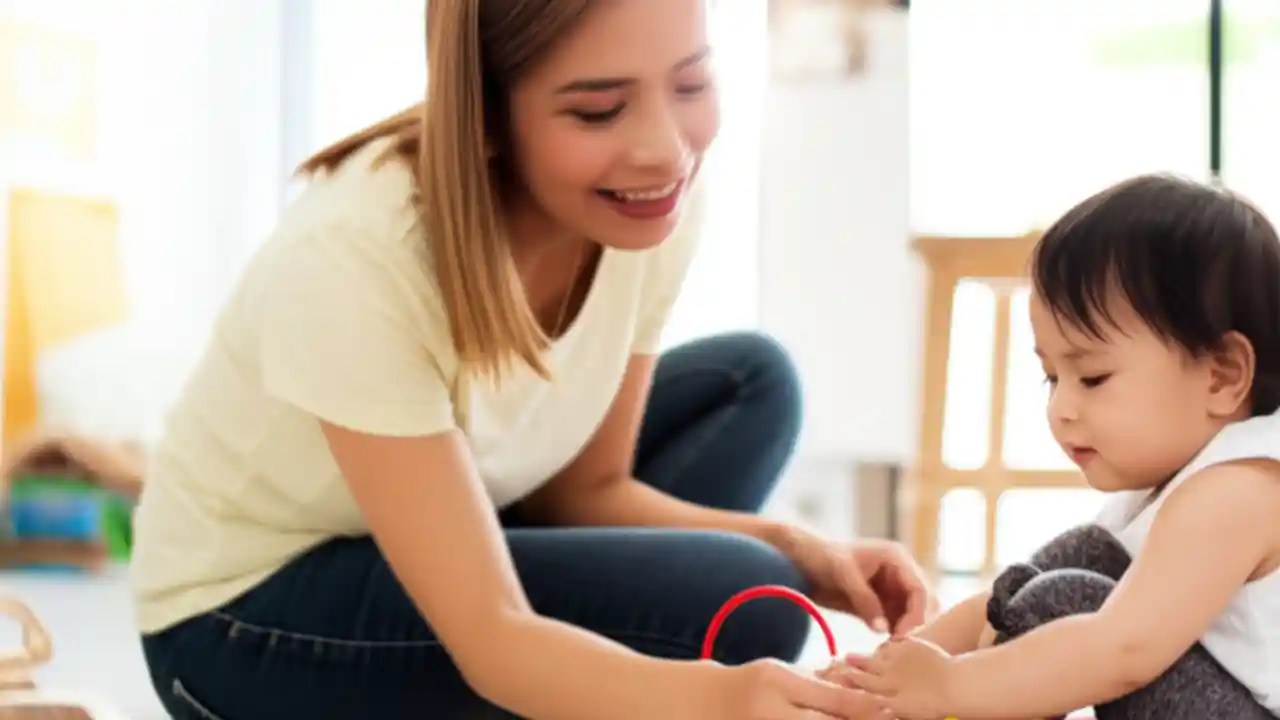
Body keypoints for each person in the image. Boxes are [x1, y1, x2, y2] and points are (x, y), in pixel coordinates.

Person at [129, 1, 932, 718]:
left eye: (691, 85)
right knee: (752, 604)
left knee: (753, 387)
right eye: (599, 110)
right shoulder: (355, 257)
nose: (663, 147)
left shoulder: (656, 196)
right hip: (237, 618)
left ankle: (601, 676)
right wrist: (722, 697)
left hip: (461, 518)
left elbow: (586, 491)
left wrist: (802, 549)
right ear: (483, 115)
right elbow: (494, 639)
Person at [825, 174, 1280, 718]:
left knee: (1064, 603)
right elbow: (997, 607)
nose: (1060, 408)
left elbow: (1123, 650)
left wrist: (953, 687)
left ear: (1221, 376)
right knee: (1075, 562)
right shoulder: (1181, 485)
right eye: (1050, 378)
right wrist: (876, 677)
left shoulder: (1240, 491)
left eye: (1092, 378)